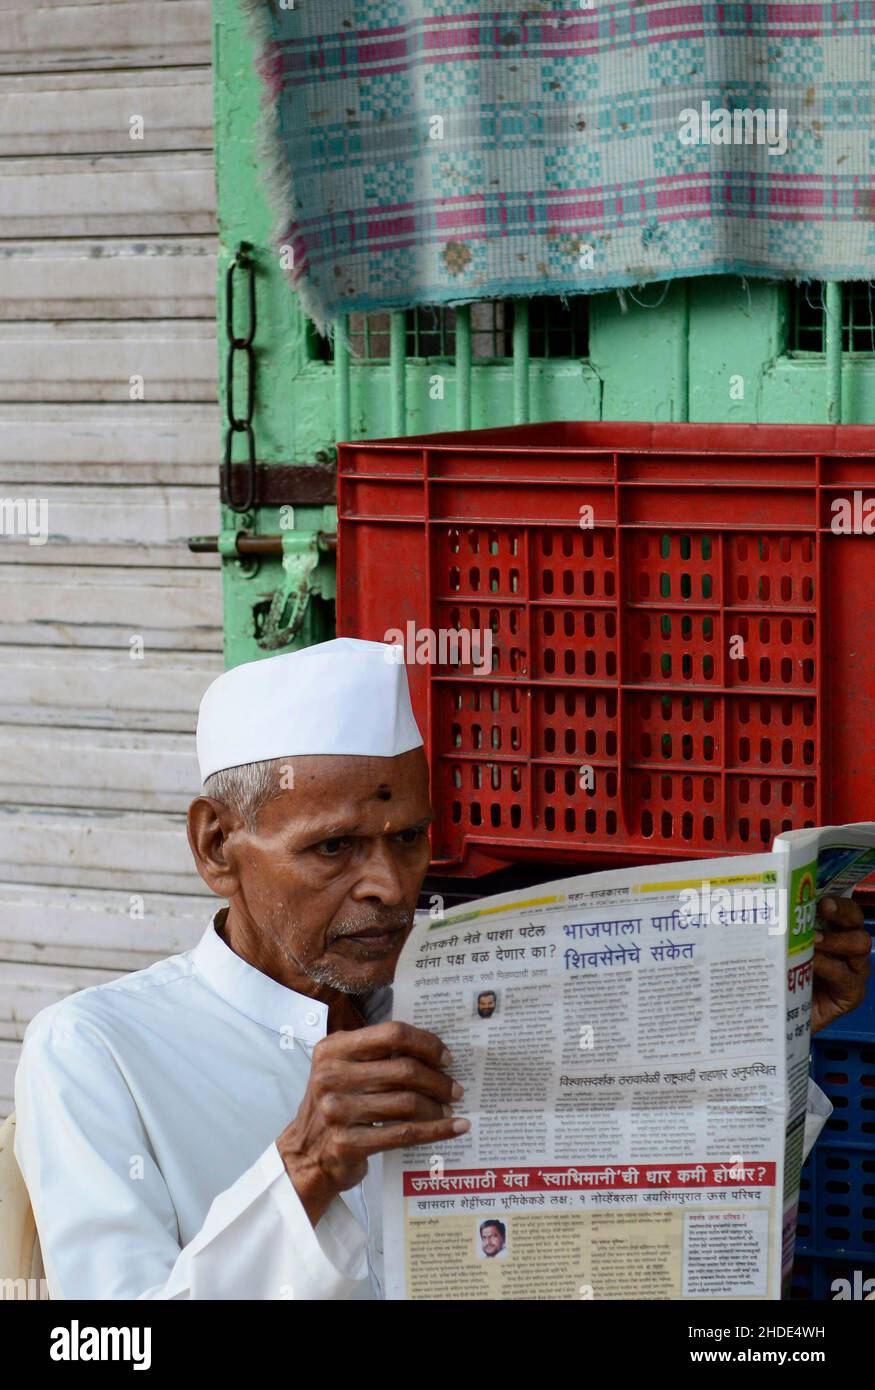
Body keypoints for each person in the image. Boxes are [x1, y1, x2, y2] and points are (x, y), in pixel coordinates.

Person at [12, 639, 872, 1299]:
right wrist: (302, 1170)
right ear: (215, 845)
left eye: (409, 838)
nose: (387, 886)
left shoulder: (475, 1005)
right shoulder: (97, 1050)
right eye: (333, 847)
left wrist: (771, 1041)